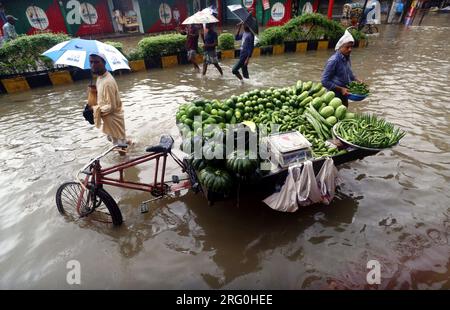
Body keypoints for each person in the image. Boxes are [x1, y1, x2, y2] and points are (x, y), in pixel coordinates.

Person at [88, 53, 128, 150]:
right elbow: (103, 98)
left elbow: (111, 106)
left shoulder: (107, 83)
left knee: (119, 146)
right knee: (112, 138)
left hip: (113, 118)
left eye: (97, 62)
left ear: (104, 63)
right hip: (107, 117)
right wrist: (94, 91)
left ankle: (126, 162)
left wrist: (94, 110)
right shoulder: (100, 78)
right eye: (91, 62)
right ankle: (129, 144)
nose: (93, 65)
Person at [321, 29, 361, 107]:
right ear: (340, 47)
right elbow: (324, 81)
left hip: (345, 94)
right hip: (334, 96)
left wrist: (357, 80)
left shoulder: (347, 58)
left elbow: (349, 74)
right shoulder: (334, 60)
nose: (350, 49)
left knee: (344, 113)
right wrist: (341, 89)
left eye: (351, 47)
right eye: (347, 47)